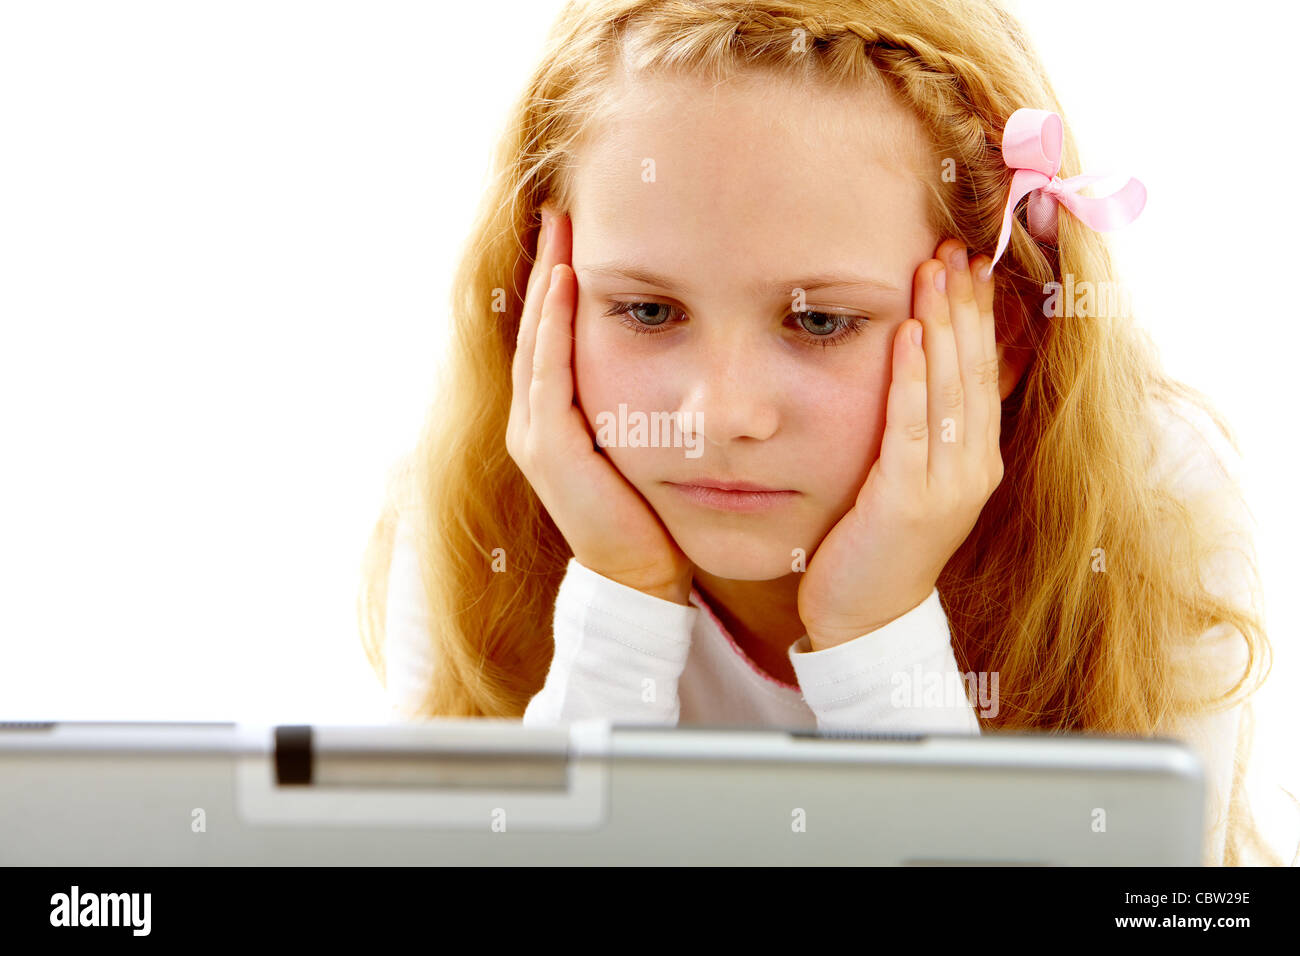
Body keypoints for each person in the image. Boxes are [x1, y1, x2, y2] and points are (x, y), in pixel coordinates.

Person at [358, 0, 1286, 866]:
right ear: (542, 295)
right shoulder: (464, 519)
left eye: (818, 323)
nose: (721, 418)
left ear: (999, 332)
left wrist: (875, 635)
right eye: (646, 310)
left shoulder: (1157, 518)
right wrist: (621, 607)